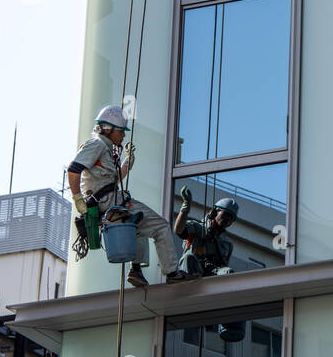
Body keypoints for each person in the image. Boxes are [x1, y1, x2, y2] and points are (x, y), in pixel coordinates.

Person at [66, 104, 193, 289]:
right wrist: (77, 198)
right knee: (161, 226)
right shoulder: (97, 144)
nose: (124, 135)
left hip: (109, 201)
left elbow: (112, 180)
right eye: (121, 131)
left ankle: (136, 271)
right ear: (108, 129)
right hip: (109, 202)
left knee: (137, 225)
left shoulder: (106, 149)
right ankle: (172, 272)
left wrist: (127, 162)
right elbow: (73, 169)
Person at [174, 189, 239, 277]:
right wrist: (185, 209)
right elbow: (178, 230)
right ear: (215, 211)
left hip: (212, 272)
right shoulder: (196, 228)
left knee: (228, 272)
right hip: (193, 268)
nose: (228, 220)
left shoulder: (227, 244)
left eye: (231, 218)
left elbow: (223, 266)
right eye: (226, 215)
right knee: (189, 258)